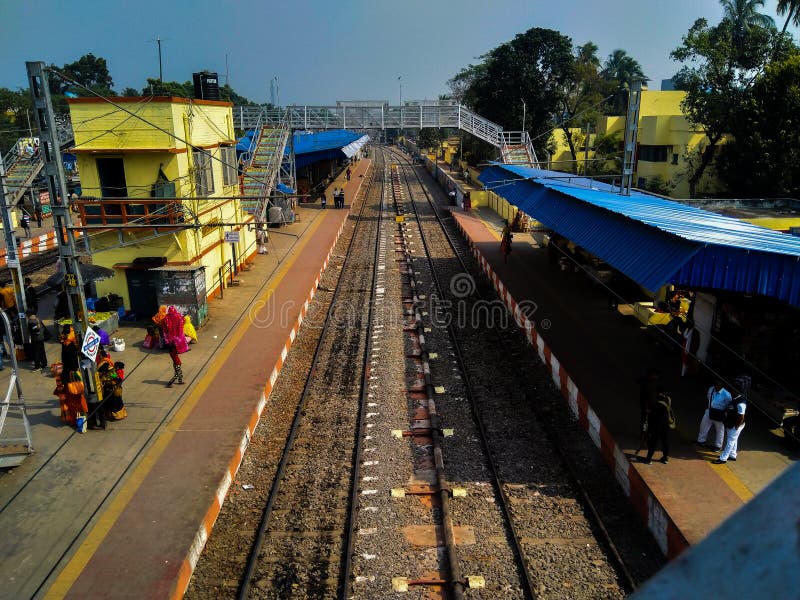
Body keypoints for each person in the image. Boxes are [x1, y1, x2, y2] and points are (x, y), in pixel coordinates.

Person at [714, 375, 751, 464]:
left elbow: (741, 417)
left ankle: (723, 458)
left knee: (730, 441)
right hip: (731, 423)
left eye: (732, 390)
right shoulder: (736, 398)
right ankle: (733, 455)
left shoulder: (741, 403)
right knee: (734, 439)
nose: (730, 391)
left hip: (736, 424)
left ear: (736, 391)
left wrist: (736, 427)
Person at [696, 379, 732, 451]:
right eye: (716, 385)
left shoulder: (727, 394)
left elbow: (729, 406)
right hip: (709, 410)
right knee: (703, 426)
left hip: (720, 413)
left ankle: (718, 446)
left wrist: (724, 414)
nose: (717, 386)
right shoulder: (711, 389)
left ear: (722, 386)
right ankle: (701, 441)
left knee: (720, 430)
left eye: (719, 385)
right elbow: (708, 398)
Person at [642, 392, 673, 464]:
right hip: (665, 427)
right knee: (665, 442)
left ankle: (648, 459)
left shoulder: (655, 405)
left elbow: (650, 419)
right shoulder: (667, 404)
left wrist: (648, 431)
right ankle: (665, 458)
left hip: (656, 427)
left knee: (653, 443)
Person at [636, 368, 661, 454]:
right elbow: (647, 397)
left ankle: (643, 436)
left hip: (647, 406)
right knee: (646, 423)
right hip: (648, 407)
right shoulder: (648, 384)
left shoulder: (645, 382)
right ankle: (644, 438)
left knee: (645, 422)